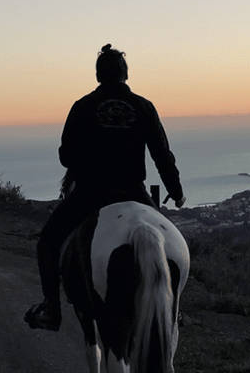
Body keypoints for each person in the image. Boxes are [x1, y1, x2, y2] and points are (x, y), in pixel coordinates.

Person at [24, 44, 185, 331]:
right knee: (168, 242)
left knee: (48, 242)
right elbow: (163, 156)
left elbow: (66, 157)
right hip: (133, 193)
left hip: (90, 194)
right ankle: (172, 307)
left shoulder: (82, 107)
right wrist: (177, 190)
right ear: (125, 74)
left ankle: (52, 309)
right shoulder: (144, 107)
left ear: (98, 76)